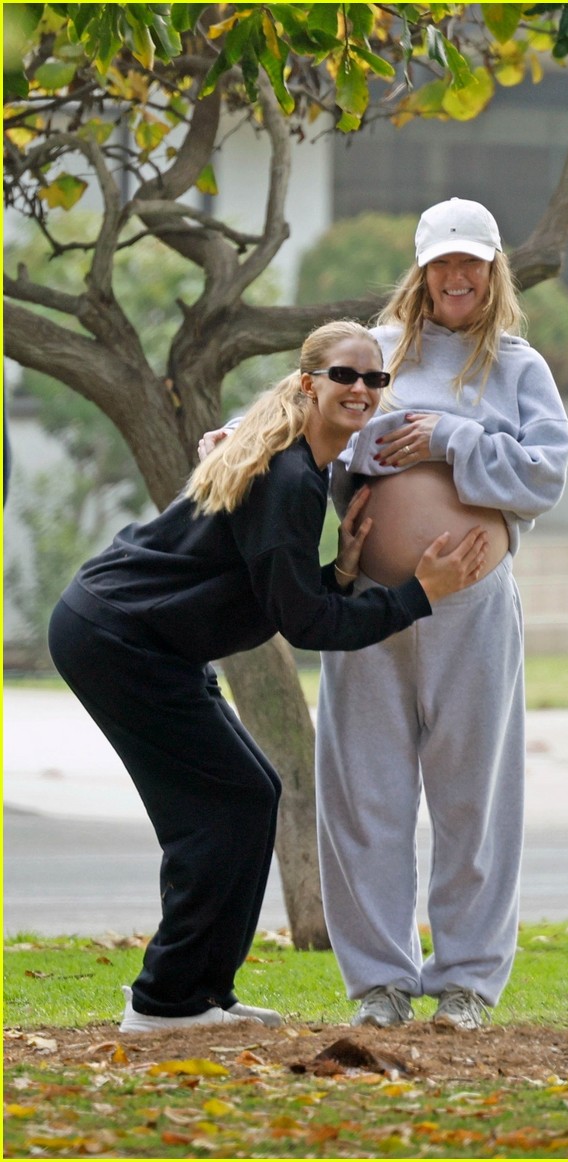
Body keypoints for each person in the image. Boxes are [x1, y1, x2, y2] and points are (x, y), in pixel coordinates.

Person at [49, 320, 489, 1035]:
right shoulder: (288, 476)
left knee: (247, 796)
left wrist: (341, 572)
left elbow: (278, 593)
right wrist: (419, 596)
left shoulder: (294, 465)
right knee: (218, 812)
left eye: (375, 380)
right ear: (309, 382)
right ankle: (165, 1002)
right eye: (345, 375)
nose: (362, 390)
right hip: (120, 641)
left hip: (143, 641)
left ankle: (199, 995)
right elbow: (308, 627)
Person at [316, 198, 568, 1030]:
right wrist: (229, 436)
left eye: (473, 262)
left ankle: (465, 982)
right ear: (421, 271)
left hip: (472, 610)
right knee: (366, 792)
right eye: (442, 263)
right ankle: (380, 985)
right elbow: (302, 416)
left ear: (495, 269)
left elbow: (543, 477)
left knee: (475, 796)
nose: (457, 276)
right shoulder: (377, 355)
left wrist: (448, 440)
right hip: (370, 608)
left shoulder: (521, 367)